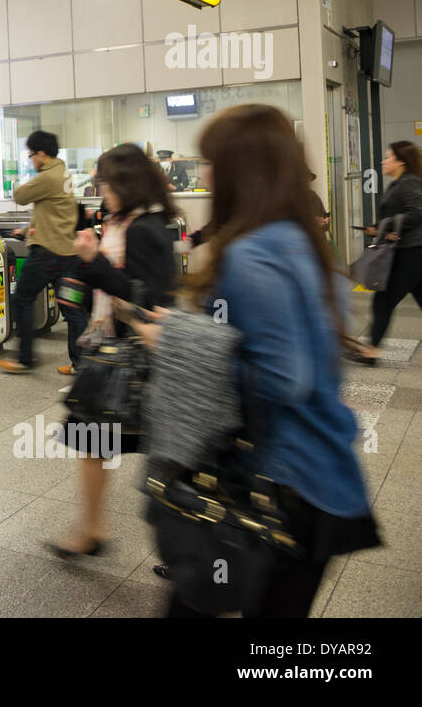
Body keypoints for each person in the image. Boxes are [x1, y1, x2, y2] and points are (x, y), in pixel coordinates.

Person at [132, 104, 379, 617]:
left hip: (277, 485)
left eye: (210, 161)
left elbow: (284, 377)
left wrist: (177, 342)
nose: (202, 173)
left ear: (239, 170)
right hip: (324, 478)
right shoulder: (307, 244)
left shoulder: (251, 254)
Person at [47, 144, 178, 560]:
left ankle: (182, 549)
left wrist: (94, 261)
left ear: (126, 182)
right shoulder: (130, 222)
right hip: (115, 351)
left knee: (163, 453)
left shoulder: (144, 229)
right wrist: (87, 265)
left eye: (105, 182)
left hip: (135, 358)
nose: (101, 191)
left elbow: (144, 296)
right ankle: (91, 530)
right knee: (95, 441)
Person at [0, 130, 87, 375]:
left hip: (47, 254)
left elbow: (20, 196)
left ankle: (24, 359)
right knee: (72, 309)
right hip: (68, 253)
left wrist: (18, 179)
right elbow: (54, 212)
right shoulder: (63, 173)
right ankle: (82, 363)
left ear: (41, 154)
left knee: (21, 299)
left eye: (31, 155)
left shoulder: (47, 177)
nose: (31, 160)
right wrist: (25, 231)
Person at [359, 140, 422, 360]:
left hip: (413, 251)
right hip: (409, 249)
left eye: (388, 157)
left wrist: (391, 225)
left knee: (383, 299)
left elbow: (417, 213)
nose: (383, 161)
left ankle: (371, 351)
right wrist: (379, 227)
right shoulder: (398, 184)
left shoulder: (410, 182)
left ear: (402, 161)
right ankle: (371, 349)